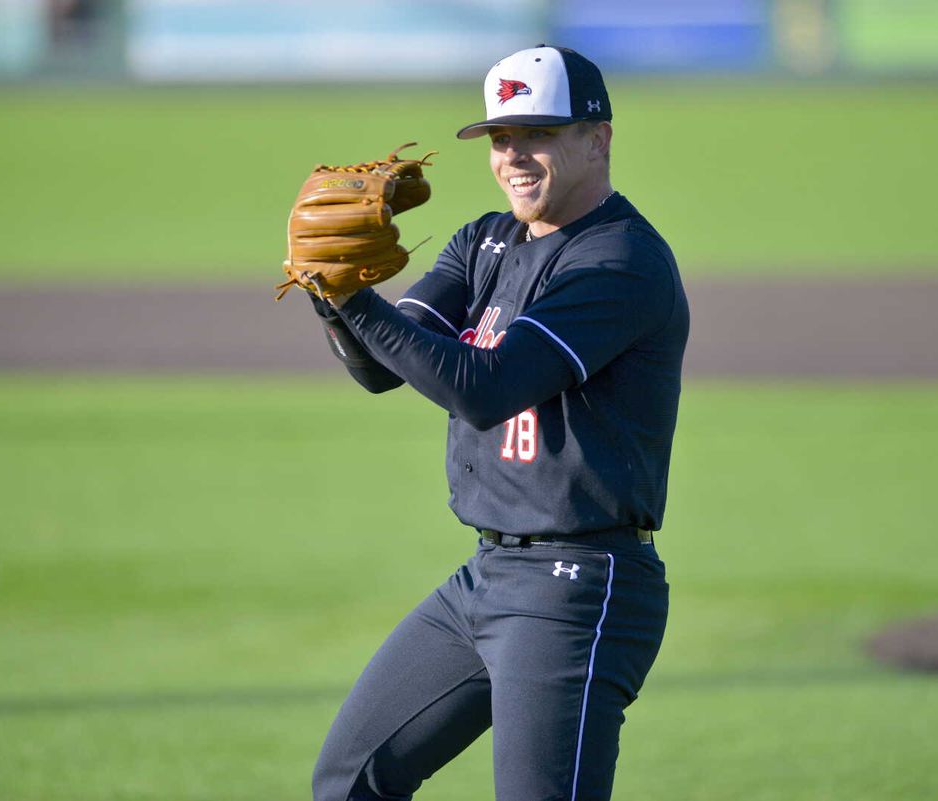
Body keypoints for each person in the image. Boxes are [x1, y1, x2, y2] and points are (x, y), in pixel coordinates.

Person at [304, 45, 689, 801]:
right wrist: (328, 288)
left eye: (537, 134)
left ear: (597, 137)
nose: (514, 156)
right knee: (349, 779)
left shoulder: (620, 262)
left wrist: (354, 299)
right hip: (484, 581)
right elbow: (384, 365)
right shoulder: (482, 242)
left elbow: (486, 387)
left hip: (579, 588)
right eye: (502, 138)